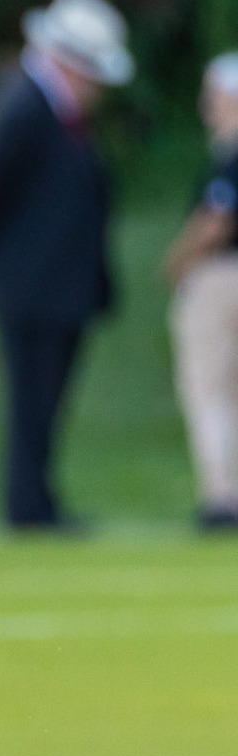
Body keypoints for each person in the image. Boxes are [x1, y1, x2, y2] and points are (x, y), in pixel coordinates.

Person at [0, 0, 134, 531]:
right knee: (32, 399)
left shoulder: (55, 110)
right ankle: (28, 508)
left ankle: (38, 501)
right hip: (28, 285)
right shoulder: (21, 104)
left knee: (48, 400)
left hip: (60, 286)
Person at [162, 53, 238, 531]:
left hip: (222, 278)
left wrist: (176, 261)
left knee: (210, 387)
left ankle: (221, 495)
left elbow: (216, 219)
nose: (206, 107)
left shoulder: (231, 156)